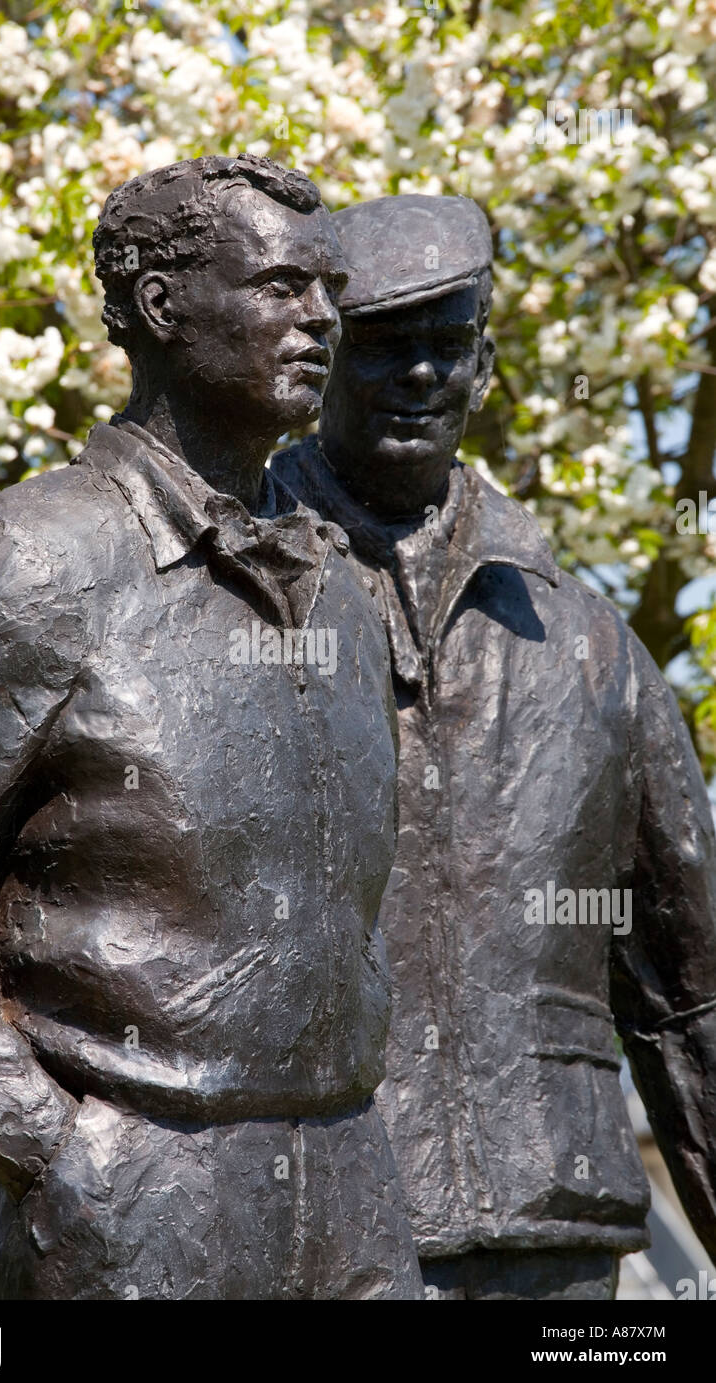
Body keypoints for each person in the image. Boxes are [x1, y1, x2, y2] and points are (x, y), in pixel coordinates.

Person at [0, 156, 423, 1300]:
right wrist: (54, 1151)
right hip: (134, 1202)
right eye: (280, 286)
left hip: (354, 1193)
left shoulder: (343, 591)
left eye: (328, 289)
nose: (321, 318)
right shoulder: (37, 558)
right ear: (161, 307)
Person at [272, 193, 716, 1300]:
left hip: (553, 1234)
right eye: (385, 346)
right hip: (312, 1232)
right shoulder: (224, 598)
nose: (421, 374)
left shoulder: (589, 646)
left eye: (448, 343)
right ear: (320, 363)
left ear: (485, 366)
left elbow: (690, 995)